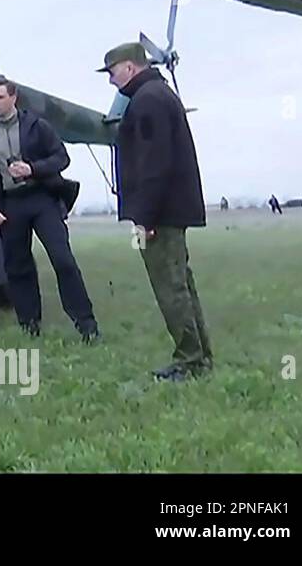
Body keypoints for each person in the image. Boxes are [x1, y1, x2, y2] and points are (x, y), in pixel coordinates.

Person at [99, 41, 211, 381]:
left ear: (130, 67)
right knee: (180, 284)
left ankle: (190, 362)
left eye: (112, 71)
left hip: (159, 215)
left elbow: (154, 163)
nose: (111, 80)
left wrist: (145, 218)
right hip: (167, 210)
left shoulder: (147, 101)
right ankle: (199, 357)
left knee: (169, 287)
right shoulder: (156, 95)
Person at [0, 78, 100, 341]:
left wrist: (33, 168)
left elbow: (61, 157)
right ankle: (30, 326)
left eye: (0, 98)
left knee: (63, 260)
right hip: (10, 204)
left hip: (41, 198)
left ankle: (86, 324)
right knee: (18, 266)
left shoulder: (36, 126)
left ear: (13, 98)